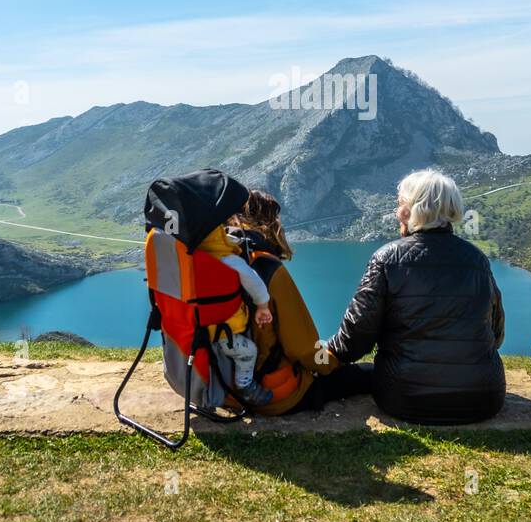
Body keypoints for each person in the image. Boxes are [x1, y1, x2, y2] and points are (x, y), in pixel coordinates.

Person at [326, 169, 505, 424]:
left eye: (400, 204)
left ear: (413, 210)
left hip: (406, 398)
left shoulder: (387, 259)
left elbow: (355, 339)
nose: (397, 212)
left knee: (352, 376)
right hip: (484, 399)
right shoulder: (477, 260)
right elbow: (496, 333)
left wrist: (323, 355)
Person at [232, 190, 373, 415]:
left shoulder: (222, 259)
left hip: (227, 389)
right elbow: (304, 350)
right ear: (271, 224)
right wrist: (333, 361)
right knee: (368, 374)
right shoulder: (269, 270)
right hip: (275, 394)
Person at [194, 218, 274, 405]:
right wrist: (263, 305)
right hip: (222, 332)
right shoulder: (229, 261)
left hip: (195, 328)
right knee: (248, 351)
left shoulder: (188, 257)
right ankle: (245, 386)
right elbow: (253, 282)